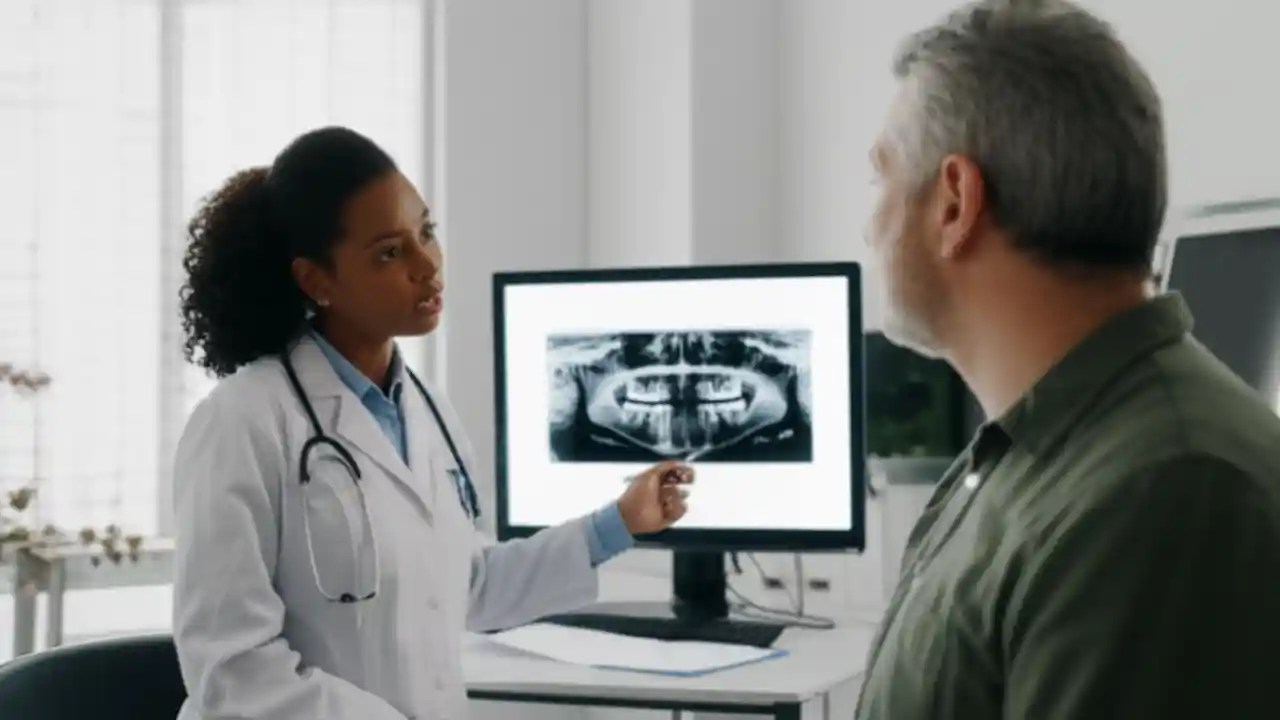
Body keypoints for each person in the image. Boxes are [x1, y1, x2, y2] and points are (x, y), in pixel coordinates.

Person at [171, 126, 694, 720]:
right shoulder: (241, 422)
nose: (428, 266)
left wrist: (619, 523)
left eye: (426, 232)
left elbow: (469, 587)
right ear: (317, 280)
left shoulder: (425, 410)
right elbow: (233, 672)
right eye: (389, 253)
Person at [858, 1, 1280, 718]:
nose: (871, 228)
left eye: (882, 180)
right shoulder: (1026, 459)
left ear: (955, 203)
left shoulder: (1163, 492)